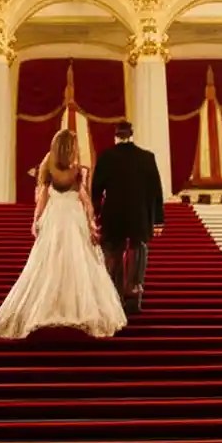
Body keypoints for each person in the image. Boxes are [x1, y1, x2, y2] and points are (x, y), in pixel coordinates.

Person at [0, 129, 127, 339]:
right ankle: (76, 308)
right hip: (73, 218)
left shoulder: (47, 166)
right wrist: (91, 222)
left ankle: (48, 306)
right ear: (72, 147)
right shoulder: (79, 170)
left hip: (54, 218)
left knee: (49, 263)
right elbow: (85, 200)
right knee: (77, 264)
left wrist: (36, 220)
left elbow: (42, 197)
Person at [91, 121, 165, 314]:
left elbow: (96, 191)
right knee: (137, 254)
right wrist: (158, 220)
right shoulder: (147, 158)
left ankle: (113, 298)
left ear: (116, 137)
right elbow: (156, 191)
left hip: (113, 216)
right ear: (132, 135)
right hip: (139, 215)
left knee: (112, 256)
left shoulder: (106, 157)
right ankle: (133, 297)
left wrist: (94, 215)